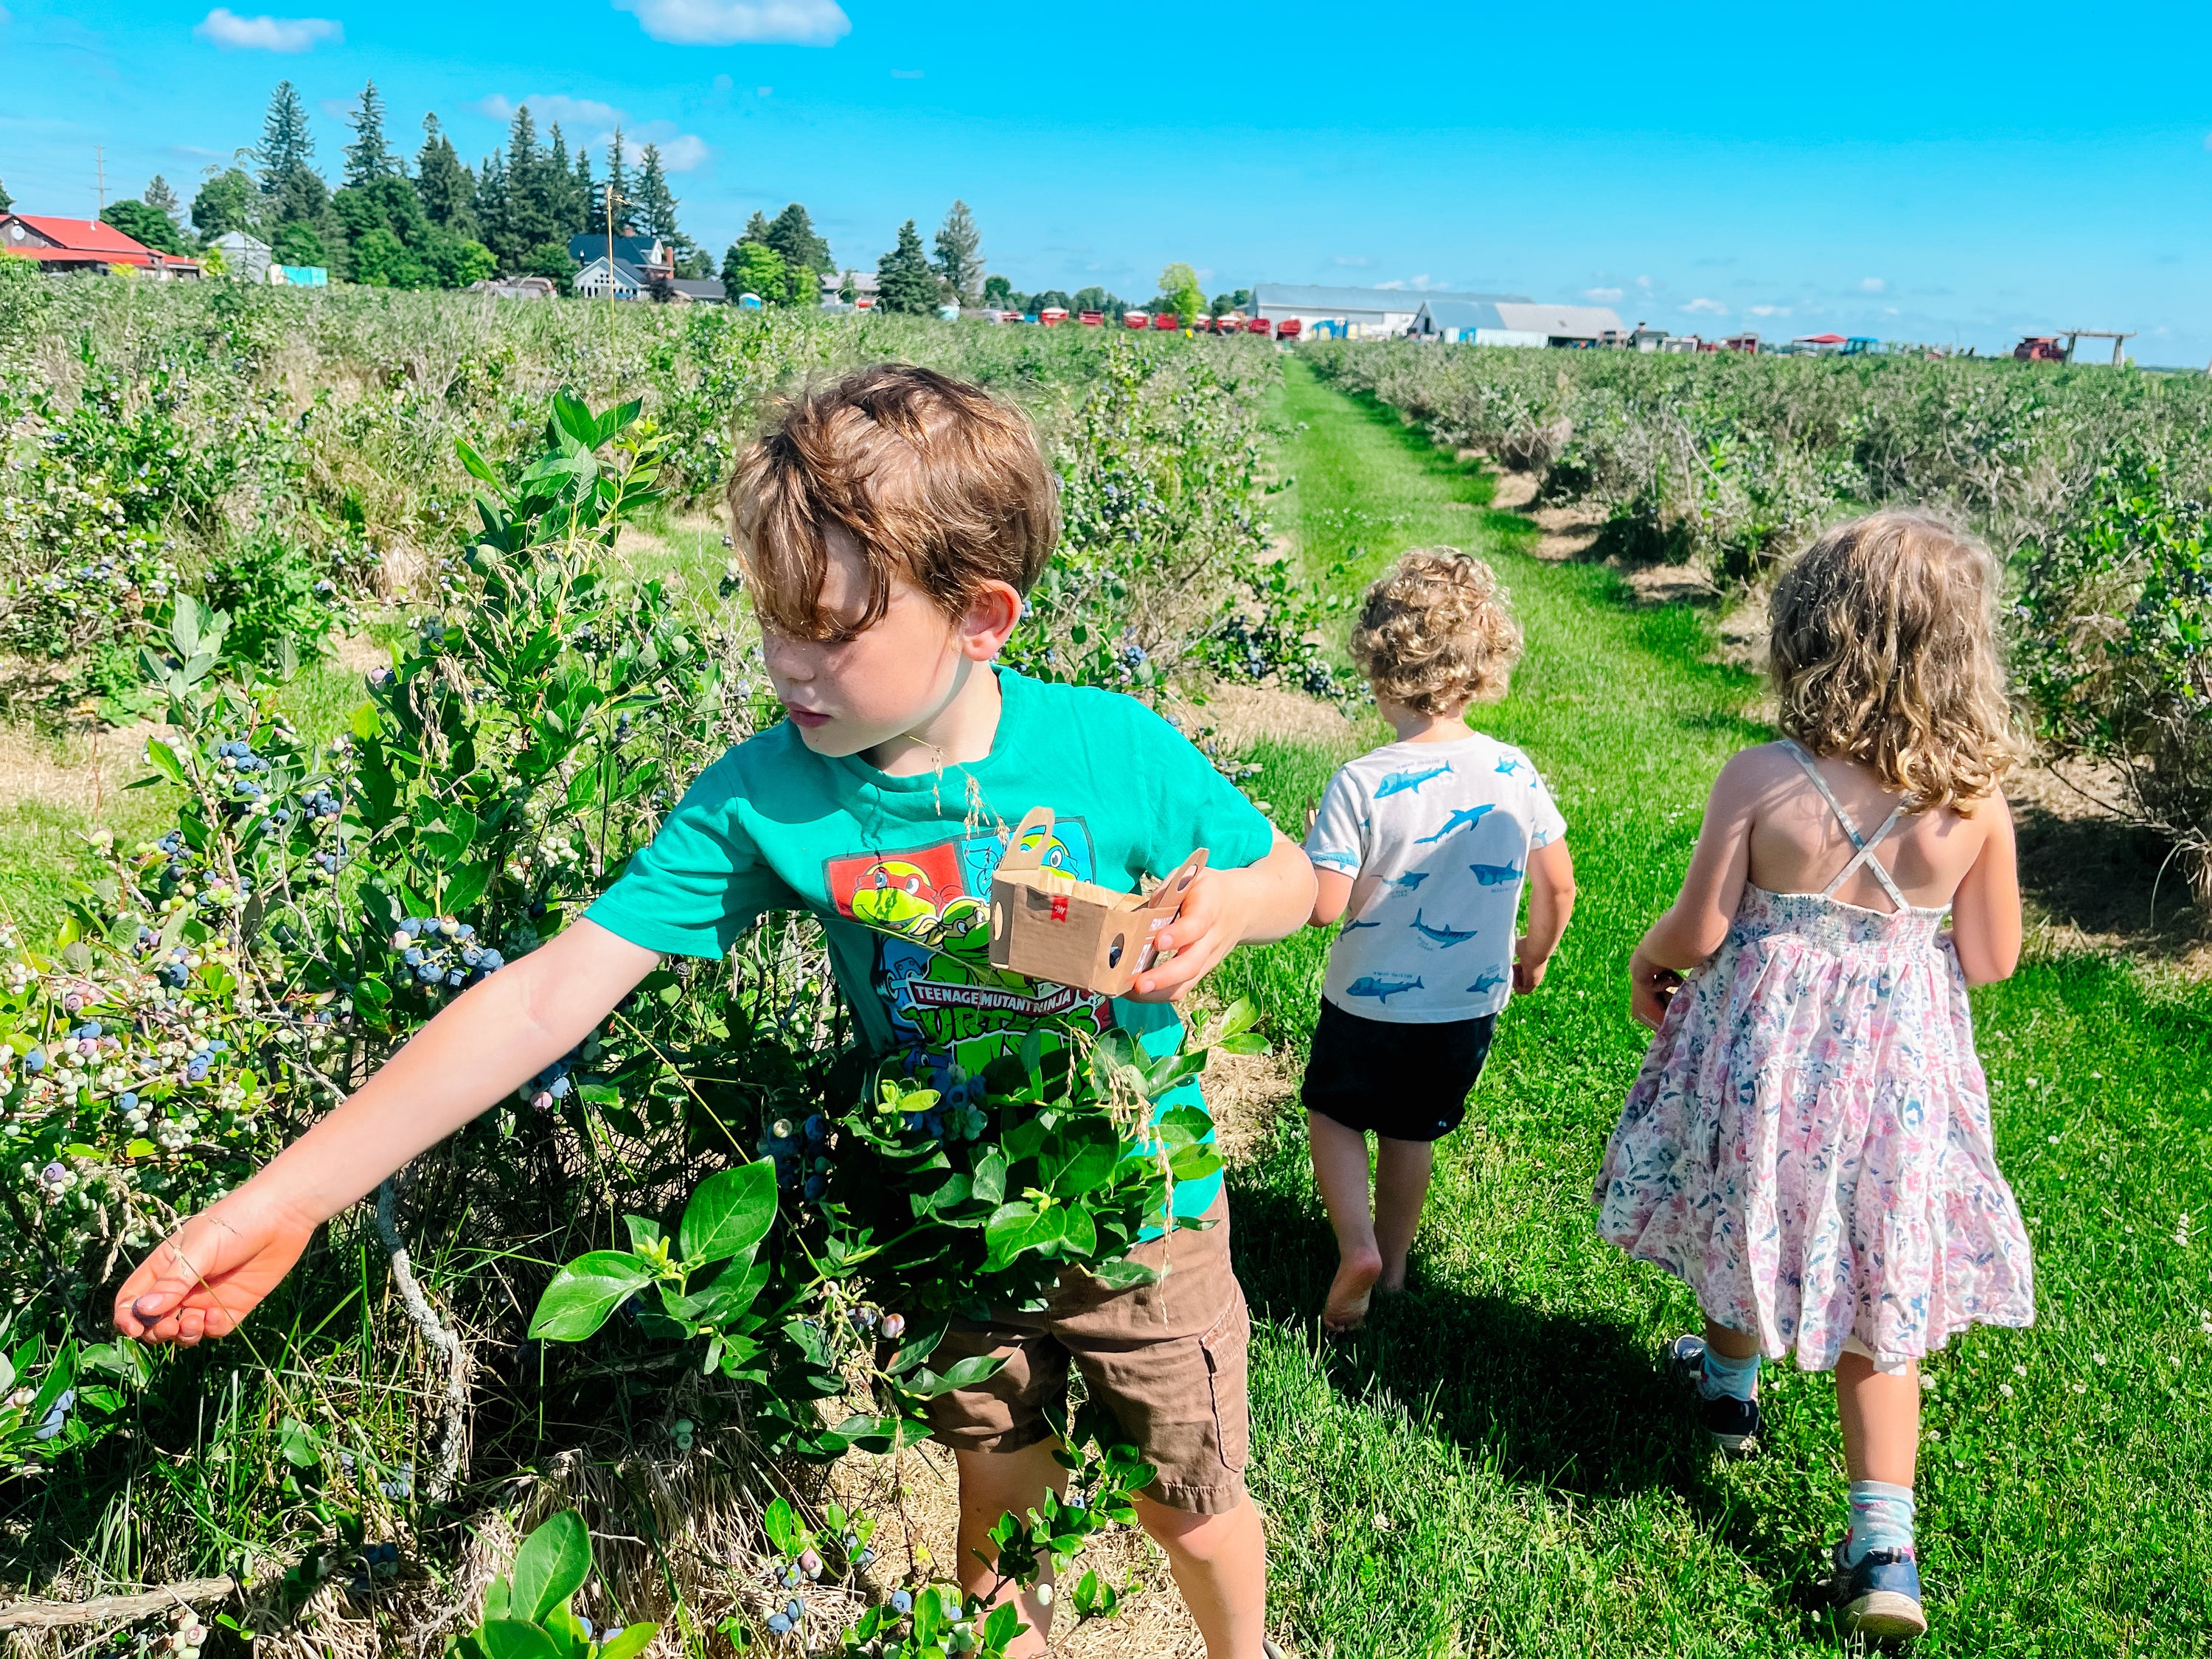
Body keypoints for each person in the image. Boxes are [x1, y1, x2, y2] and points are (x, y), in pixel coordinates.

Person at [112, 365, 1316, 1659]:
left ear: (982, 618)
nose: (787, 663)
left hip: (1150, 1206)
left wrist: (1227, 911)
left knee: (1185, 1504)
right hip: (948, 1205)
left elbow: (1294, 877)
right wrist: (284, 1198)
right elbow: (545, 997)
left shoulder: (1109, 749)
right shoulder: (768, 796)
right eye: (770, 619)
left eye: (834, 628)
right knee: (996, 1504)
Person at [1594, 511, 2034, 1641]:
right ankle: (1883, 1542)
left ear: (1811, 631)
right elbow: (1989, 959)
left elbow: (1701, 925)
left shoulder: (1764, 775)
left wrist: (1652, 959)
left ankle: (1730, 1388)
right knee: (1874, 1290)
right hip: (1898, 1069)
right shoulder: (1975, 800)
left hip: (1764, 1056)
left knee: (1753, 1207)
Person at [1301, 549, 1576, 1334]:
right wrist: (1536, 952)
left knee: (1334, 1112)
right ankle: (1393, 1269)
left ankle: (1355, 1246)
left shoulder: (1361, 780)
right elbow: (1560, 886)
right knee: (1411, 1131)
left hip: (1367, 996)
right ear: (1482, 666)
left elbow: (1325, 907)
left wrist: (1293, 860)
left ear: (1378, 665)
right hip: (1464, 1004)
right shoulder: (1515, 774)